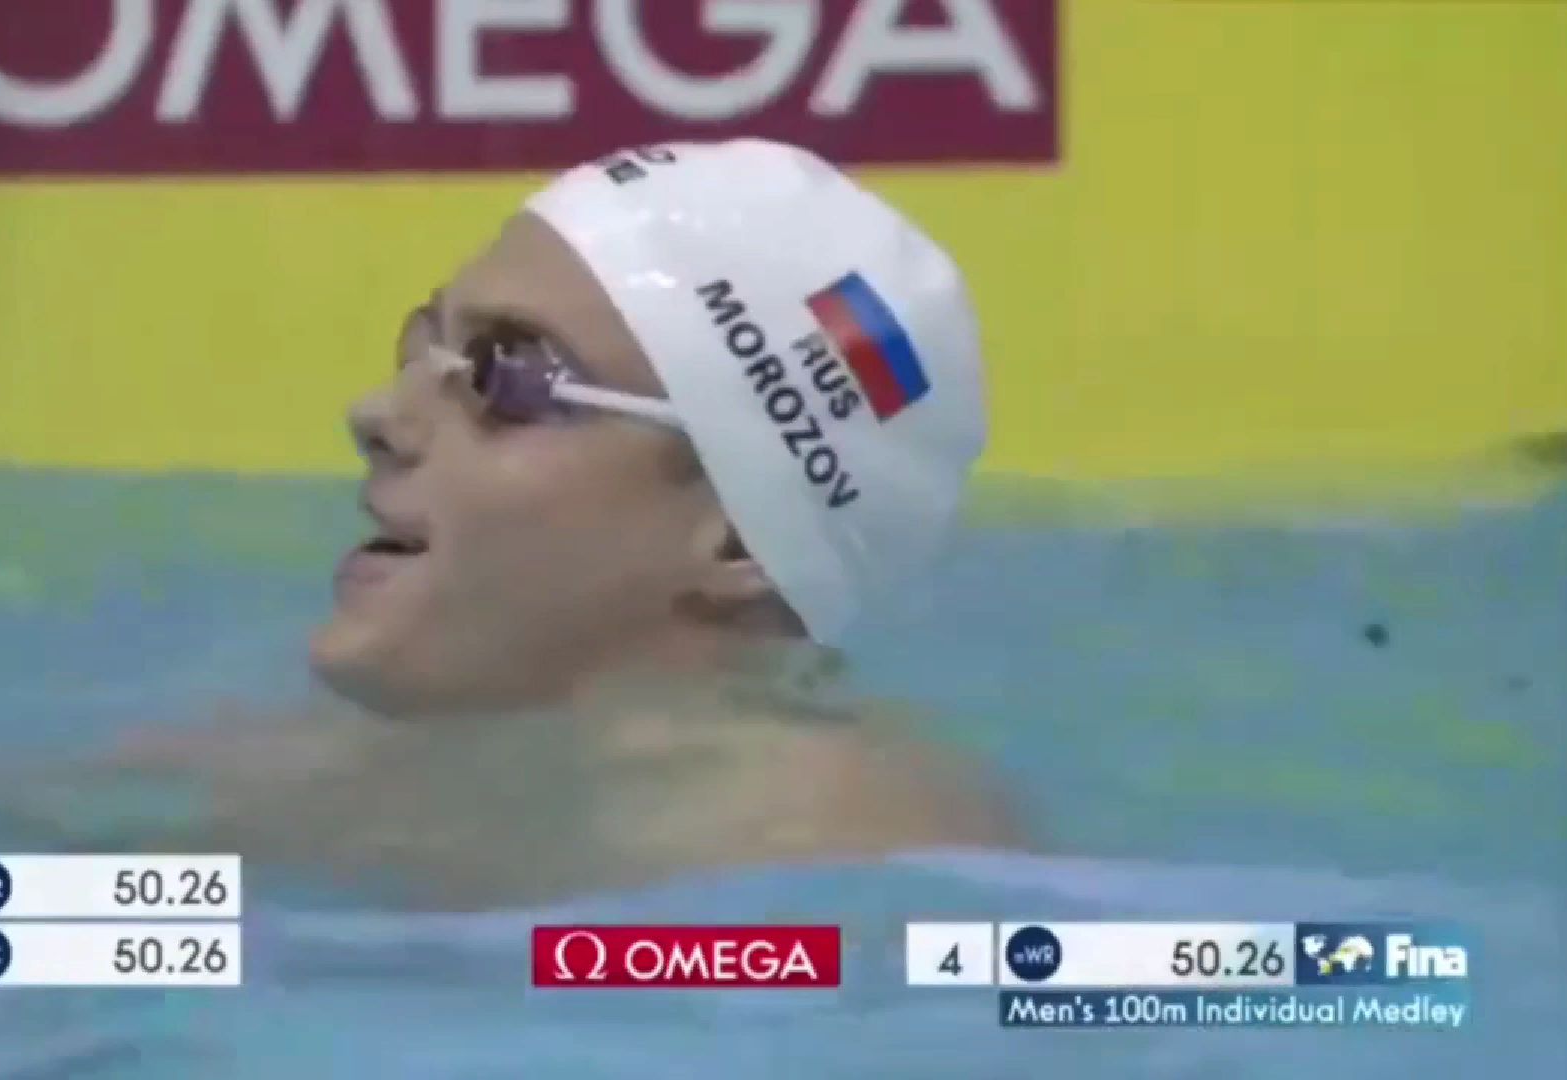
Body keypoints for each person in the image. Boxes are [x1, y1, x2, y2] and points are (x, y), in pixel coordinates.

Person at [118, 138, 1016, 907]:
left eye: (507, 375)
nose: (378, 414)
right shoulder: (334, 782)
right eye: (425, 344)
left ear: (737, 540)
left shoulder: (850, 859)